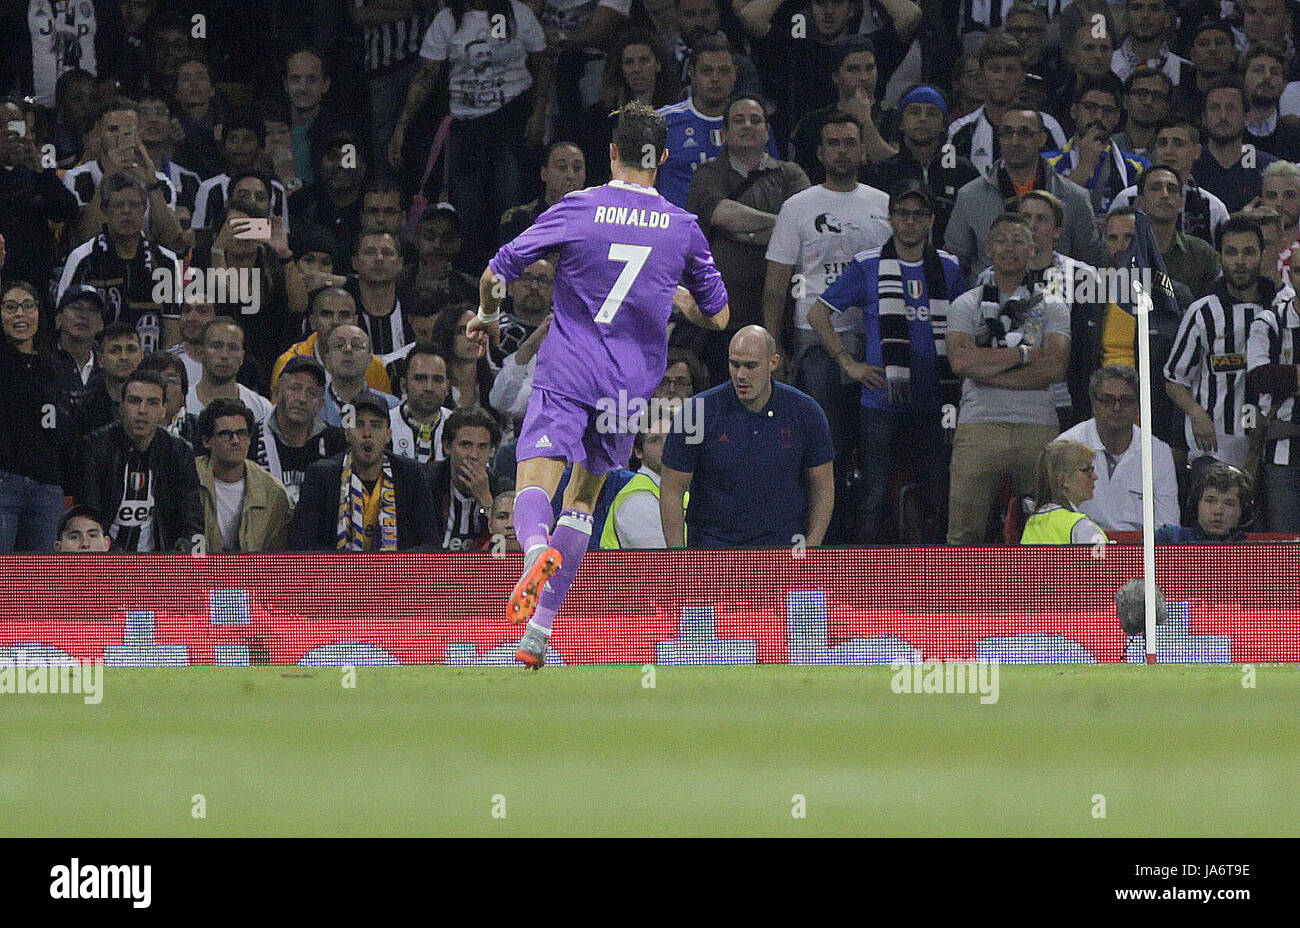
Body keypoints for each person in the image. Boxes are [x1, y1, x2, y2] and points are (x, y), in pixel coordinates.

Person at [467, 101, 730, 668]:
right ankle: (537, 635)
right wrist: (678, 297)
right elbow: (721, 315)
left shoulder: (579, 207)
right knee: (583, 500)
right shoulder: (682, 227)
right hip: (628, 389)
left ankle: (535, 553)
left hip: (568, 370)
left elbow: (496, 273)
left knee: (536, 477)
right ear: (661, 158)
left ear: (611, 153)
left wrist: (487, 317)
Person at [809, 180, 963, 543]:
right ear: (891, 218)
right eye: (903, 214)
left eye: (919, 214)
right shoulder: (868, 264)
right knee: (874, 493)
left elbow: (964, 321)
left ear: (931, 220)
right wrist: (848, 363)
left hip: (938, 397)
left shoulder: (949, 267)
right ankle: (865, 578)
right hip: (881, 399)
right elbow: (818, 313)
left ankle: (932, 580)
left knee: (937, 491)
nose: (910, 222)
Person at [761, 112, 892, 499]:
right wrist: (773, 343)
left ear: (863, 150)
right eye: (833, 144)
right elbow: (776, 281)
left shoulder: (884, 204)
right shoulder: (798, 206)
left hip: (874, 336)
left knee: (872, 441)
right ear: (819, 153)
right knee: (825, 437)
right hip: (814, 338)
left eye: (850, 142)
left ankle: (867, 531)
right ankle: (826, 531)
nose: (841, 151)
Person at [389, 0, 552, 270]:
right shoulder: (447, 21)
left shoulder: (517, 14)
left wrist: (539, 113)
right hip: (468, 127)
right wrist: (402, 125)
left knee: (510, 203)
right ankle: (471, 277)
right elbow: (426, 76)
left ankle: (512, 272)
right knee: (468, 211)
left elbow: (542, 62)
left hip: (510, 121)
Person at [945, 212, 1070, 544]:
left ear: (1033, 249)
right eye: (1001, 240)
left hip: (1038, 427)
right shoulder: (965, 305)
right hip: (978, 426)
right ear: (988, 248)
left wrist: (986, 370)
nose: (1009, 248)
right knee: (963, 530)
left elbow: (1055, 368)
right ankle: (961, 594)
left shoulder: (1053, 306)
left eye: (1018, 241)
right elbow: (959, 361)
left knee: (1046, 528)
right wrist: (1024, 354)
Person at [660, 324, 835, 546]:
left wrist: (812, 546)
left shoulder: (805, 412)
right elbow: (671, 490)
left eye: (751, 366)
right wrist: (678, 560)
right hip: (713, 551)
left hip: (784, 551)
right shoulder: (697, 413)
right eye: (735, 364)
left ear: (773, 363)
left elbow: (823, 486)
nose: (741, 375)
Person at [686, 95, 810, 383]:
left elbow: (803, 231)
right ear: (725, 133)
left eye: (756, 120)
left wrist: (743, 232)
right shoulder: (708, 174)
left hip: (783, 319)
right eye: (738, 120)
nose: (747, 125)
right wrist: (782, 225)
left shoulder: (790, 175)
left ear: (767, 131)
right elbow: (720, 214)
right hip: (722, 318)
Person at [1165, 216, 1274, 471]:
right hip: (1213, 445)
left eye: (1249, 252)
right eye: (1231, 252)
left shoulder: (1280, 308)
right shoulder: (1202, 311)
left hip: (1272, 443)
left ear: (1262, 254)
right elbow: (1174, 379)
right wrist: (1196, 412)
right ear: (1219, 257)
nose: (1240, 262)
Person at [945, 109, 1100, 281]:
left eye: (1025, 133)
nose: (1014, 141)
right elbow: (954, 264)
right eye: (1007, 133)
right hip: (990, 300)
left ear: (1042, 139)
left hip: (1058, 298)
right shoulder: (970, 196)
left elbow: (1089, 262)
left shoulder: (1074, 197)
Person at [289, 391, 442, 551]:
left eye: (376, 425)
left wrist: (391, 569)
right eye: (359, 425)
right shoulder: (320, 477)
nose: (367, 434)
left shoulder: (410, 475)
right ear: (347, 433)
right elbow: (302, 544)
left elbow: (430, 544)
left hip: (396, 574)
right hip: (339, 574)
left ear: (388, 434)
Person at [73, 369, 204, 552]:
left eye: (152, 403)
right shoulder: (95, 448)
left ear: (163, 410)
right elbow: (89, 515)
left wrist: (187, 551)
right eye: (135, 401)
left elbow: (193, 519)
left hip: (160, 562)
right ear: (121, 406)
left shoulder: (179, 452)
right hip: (105, 559)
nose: (142, 410)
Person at [57, 172, 184, 354]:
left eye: (134, 204)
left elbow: (172, 326)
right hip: (95, 368)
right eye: (118, 205)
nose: (126, 211)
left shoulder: (166, 262)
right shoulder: (82, 258)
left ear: (144, 209)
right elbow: (63, 319)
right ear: (105, 210)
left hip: (150, 371)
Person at [1058, 366, 1180, 533]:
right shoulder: (1066, 446)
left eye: (1126, 400)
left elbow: (1168, 526)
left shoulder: (1157, 452)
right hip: (1081, 546)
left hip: (1138, 551)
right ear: (1093, 403)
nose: (1116, 408)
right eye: (1107, 399)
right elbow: (1055, 516)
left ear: (1138, 405)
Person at [862, 85, 979, 244]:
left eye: (932, 113)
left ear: (943, 125)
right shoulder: (882, 173)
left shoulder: (962, 171)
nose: (923, 118)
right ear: (901, 123)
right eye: (914, 112)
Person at [0, 281, 68, 552]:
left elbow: (59, 428)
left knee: (41, 586)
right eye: (10, 307)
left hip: (46, 487)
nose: (20, 314)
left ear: (40, 313)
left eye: (28, 306)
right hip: (4, 483)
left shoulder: (53, 366)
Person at [788, 36, 903, 182]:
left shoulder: (894, 116)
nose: (863, 77)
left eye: (870, 68)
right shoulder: (813, 122)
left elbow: (897, 170)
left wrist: (864, 121)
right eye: (853, 70)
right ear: (836, 76)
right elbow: (800, 176)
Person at [946, 35, 1067, 173]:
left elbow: (1061, 183)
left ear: (1022, 76)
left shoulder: (1048, 127)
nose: (1002, 78)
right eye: (995, 69)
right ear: (982, 74)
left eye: (1010, 70)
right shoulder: (959, 132)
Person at [0, 97, 80, 292]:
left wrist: (39, 169)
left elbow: (66, 212)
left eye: (13, 124)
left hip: (34, 281)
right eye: (1, 125)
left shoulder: (38, 171)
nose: (7, 131)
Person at [1108, 119, 1230, 247]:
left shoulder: (1212, 207)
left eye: (1178, 144)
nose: (1168, 151)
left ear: (1196, 152)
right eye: (1162, 143)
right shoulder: (1127, 199)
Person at [1246, 250, 1300, 531]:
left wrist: (1288, 377)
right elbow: (1258, 377)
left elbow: (1271, 375)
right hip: (1282, 450)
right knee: (1287, 541)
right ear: (1289, 275)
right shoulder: (1269, 322)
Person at [195, 398, 292, 553]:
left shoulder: (272, 492)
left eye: (241, 434)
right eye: (226, 434)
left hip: (254, 574)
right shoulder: (189, 479)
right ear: (207, 441)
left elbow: (279, 554)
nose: (235, 441)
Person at [1044, 76, 1149, 216]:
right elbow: (1046, 214)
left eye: (1108, 110)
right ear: (1074, 111)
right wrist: (1084, 167)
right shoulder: (1046, 164)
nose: (1099, 116)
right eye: (1090, 108)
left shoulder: (1139, 167)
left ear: (1117, 117)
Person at [252, 356, 347, 507]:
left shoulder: (336, 441)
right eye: (294, 389)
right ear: (276, 393)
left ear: (321, 404)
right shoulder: (252, 438)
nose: (302, 398)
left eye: (311, 392)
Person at [270, 287, 393, 395]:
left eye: (344, 315)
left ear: (355, 321)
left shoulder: (372, 365)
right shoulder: (288, 363)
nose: (336, 322)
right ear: (312, 322)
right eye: (327, 315)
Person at [1194, 78, 1279, 215]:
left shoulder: (1268, 168)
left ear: (1247, 117)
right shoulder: (1191, 164)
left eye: (1231, 108)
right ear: (1204, 118)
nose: (1222, 116)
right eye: (1215, 108)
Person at [599, 406, 679, 548]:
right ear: (638, 452)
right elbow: (665, 564)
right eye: (655, 440)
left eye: (672, 437)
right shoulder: (637, 500)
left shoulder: (680, 488)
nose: (666, 446)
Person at [1136, 164, 1220, 299]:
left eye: (1172, 189)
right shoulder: (1123, 249)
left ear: (1181, 203)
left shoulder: (1202, 254)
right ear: (1140, 202)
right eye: (1155, 188)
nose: (1164, 195)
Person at [427, 406, 502, 550]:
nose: (474, 455)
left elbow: (507, 550)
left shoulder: (500, 488)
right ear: (447, 446)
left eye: (482, 447)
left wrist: (487, 502)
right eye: (466, 445)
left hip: (483, 570)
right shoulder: (425, 483)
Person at [1019, 439, 1109, 544]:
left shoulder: (1033, 523)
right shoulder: (1081, 527)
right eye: (1085, 470)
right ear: (1064, 480)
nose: (1094, 476)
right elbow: (1106, 560)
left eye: (1092, 469)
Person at [185, 320, 274, 423]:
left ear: (242, 357)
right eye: (216, 346)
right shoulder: (182, 404)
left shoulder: (262, 409)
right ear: (201, 352)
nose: (225, 355)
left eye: (233, 348)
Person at [499, 142, 588, 245]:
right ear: (544, 174)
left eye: (577, 168)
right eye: (562, 167)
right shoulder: (519, 219)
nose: (570, 175)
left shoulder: (595, 220)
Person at [320, 324, 399, 426]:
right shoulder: (313, 406)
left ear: (370, 360)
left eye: (356, 345)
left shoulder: (391, 406)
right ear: (327, 360)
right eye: (339, 345)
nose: (348, 349)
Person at [1154, 461, 1251, 542]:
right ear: (1196, 503)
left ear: (1242, 511)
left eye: (1229, 504)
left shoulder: (1252, 552)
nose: (1218, 511)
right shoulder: (1168, 539)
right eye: (1210, 501)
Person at [390, 345, 454, 464]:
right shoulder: (385, 425)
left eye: (437, 379)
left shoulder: (460, 427)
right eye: (420, 379)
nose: (429, 387)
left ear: (447, 388)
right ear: (404, 385)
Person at [1111, 68, 1173, 159]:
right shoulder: (1107, 147)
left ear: (1166, 107)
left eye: (1157, 96)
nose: (1148, 102)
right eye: (1141, 94)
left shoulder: (1170, 153)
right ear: (1125, 101)